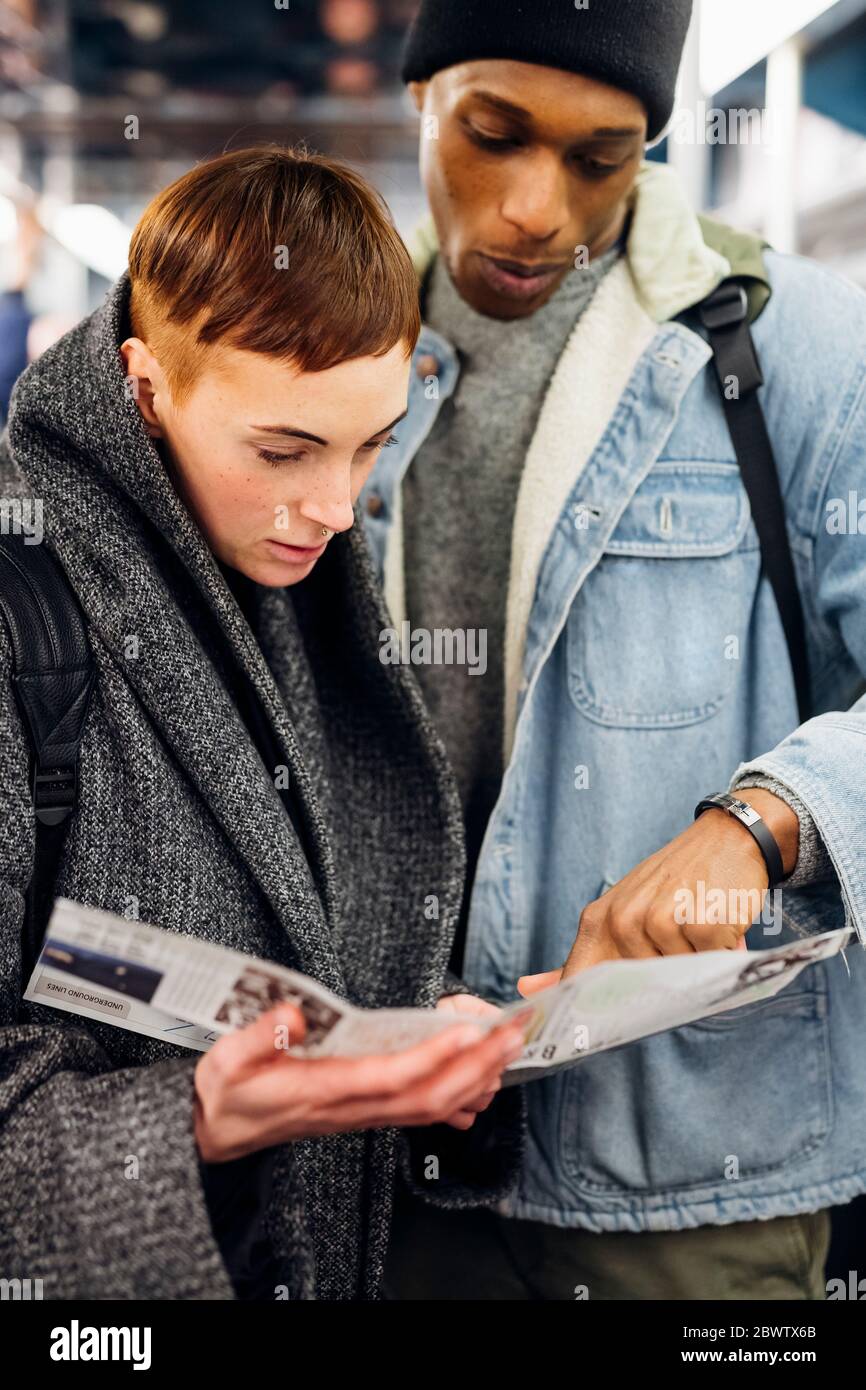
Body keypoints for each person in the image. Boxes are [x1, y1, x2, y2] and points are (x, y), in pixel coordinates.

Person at [367, 0, 866, 1299]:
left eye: (601, 157)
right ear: (418, 93)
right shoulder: (333, 343)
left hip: (688, 1179)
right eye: (492, 133)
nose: (537, 206)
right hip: (388, 1156)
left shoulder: (784, 344)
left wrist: (765, 821)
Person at [0, 146, 527, 1301]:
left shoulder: (305, 588)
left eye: (372, 442)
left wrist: (423, 1059)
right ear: (143, 386)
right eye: (284, 450)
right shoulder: (21, 622)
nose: (336, 508)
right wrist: (186, 1123)